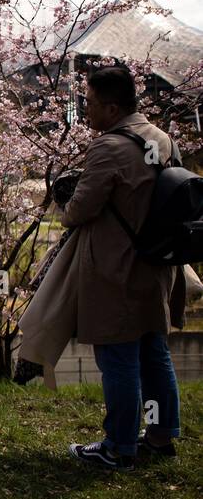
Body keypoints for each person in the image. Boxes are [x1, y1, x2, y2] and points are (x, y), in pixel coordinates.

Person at [61, 65, 188, 469]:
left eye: (92, 103)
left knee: (118, 358)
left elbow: (80, 210)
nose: (86, 110)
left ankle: (119, 446)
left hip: (116, 270)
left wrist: (65, 201)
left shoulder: (109, 147)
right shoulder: (162, 139)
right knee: (154, 353)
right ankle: (161, 434)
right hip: (157, 266)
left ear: (112, 107)